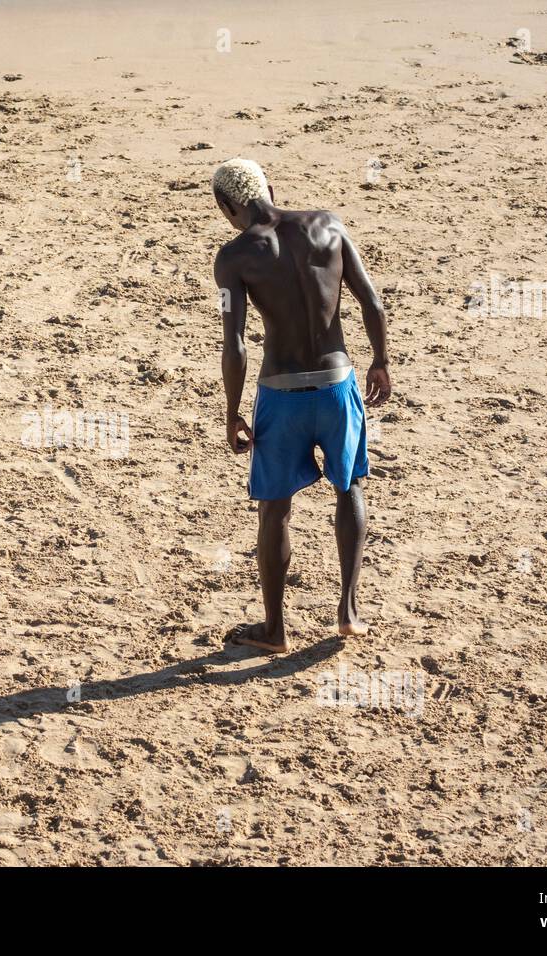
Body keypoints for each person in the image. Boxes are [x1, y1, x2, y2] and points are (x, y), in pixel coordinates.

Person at [211, 158, 392, 653]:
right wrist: (380, 360)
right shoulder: (328, 224)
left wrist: (232, 412)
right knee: (348, 487)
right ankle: (349, 611)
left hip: (282, 395)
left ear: (226, 206)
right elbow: (371, 303)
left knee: (275, 509)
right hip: (337, 387)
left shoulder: (234, 257)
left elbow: (237, 346)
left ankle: (274, 629)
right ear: (269, 186)